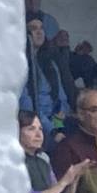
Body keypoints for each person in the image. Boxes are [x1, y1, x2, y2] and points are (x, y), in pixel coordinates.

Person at [21, 15, 69, 147]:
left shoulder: (50, 64)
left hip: (56, 122)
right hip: (33, 125)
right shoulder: (20, 66)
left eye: (41, 28)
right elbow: (27, 106)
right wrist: (52, 130)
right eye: (33, 28)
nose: (39, 32)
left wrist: (59, 121)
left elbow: (62, 98)